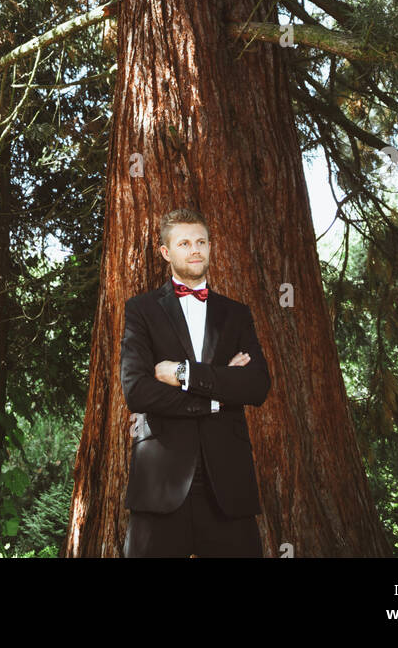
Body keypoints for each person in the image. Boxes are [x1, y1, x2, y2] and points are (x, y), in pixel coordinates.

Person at [119, 207, 270, 557]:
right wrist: (217, 396)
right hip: (160, 479)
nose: (195, 249)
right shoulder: (141, 310)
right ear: (166, 252)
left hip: (229, 482)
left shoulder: (236, 313)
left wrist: (183, 374)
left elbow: (257, 385)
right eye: (185, 243)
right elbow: (137, 390)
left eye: (201, 241)